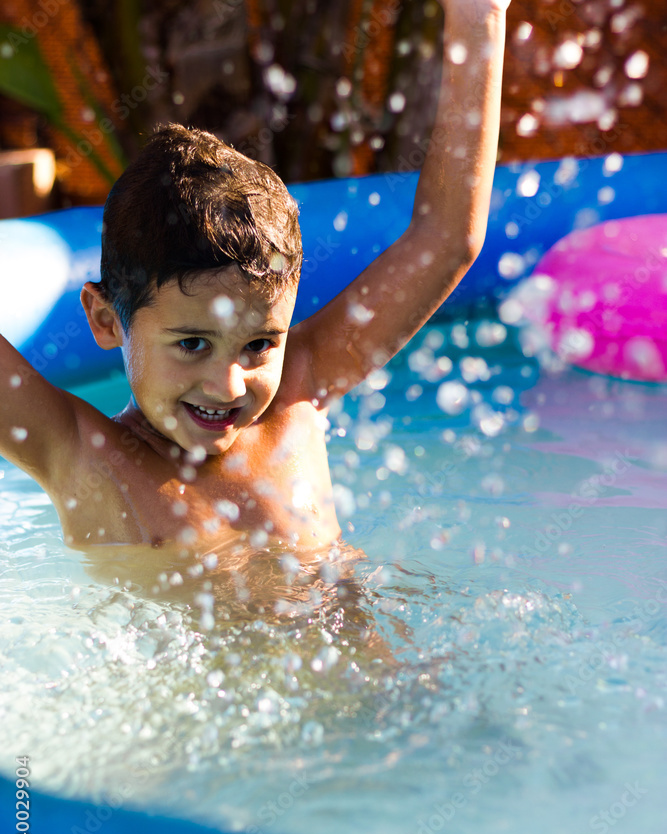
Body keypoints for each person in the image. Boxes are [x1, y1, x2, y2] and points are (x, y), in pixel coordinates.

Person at [0, 0, 510, 572]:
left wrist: (478, 14)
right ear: (104, 319)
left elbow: (445, 240)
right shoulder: (81, 456)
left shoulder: (298, 393)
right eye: (193, 343)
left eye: (260, 344)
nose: (228, 385)